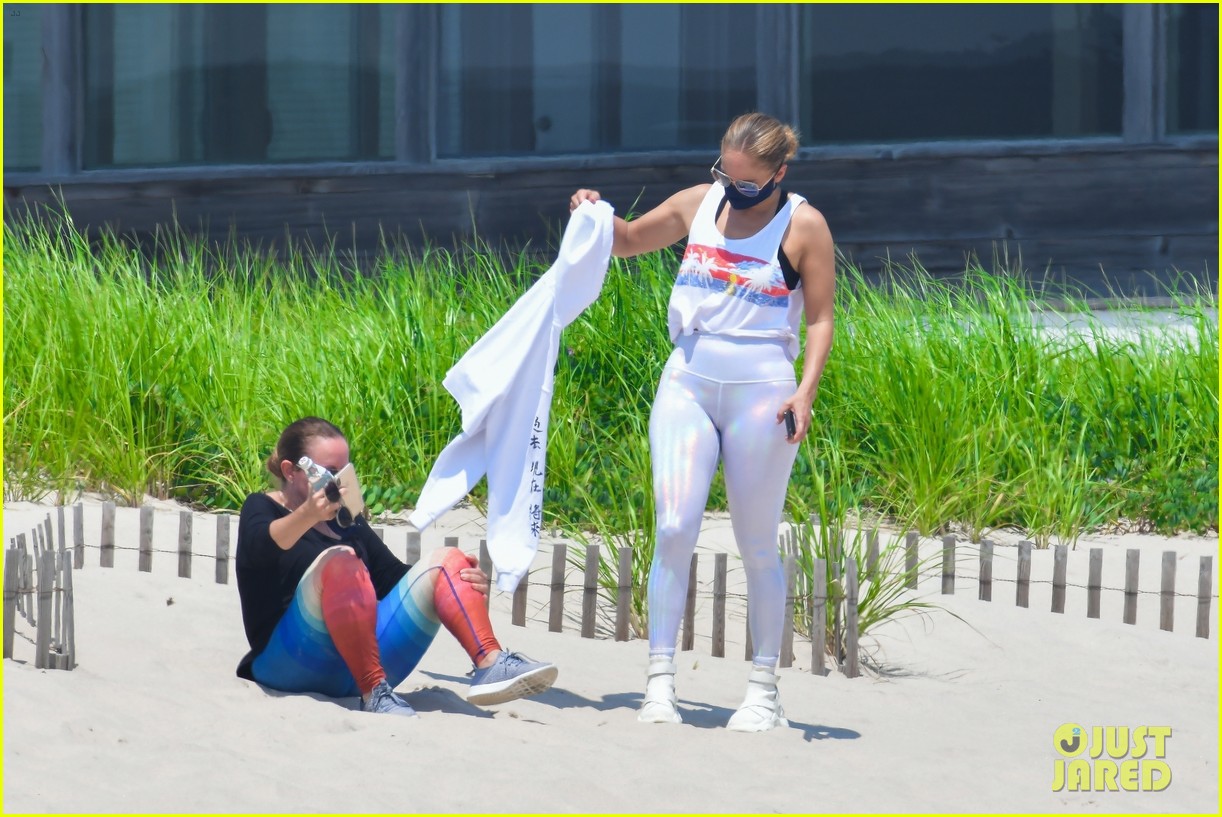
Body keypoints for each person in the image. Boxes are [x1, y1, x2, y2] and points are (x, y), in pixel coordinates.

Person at [569, 112, 834, 732]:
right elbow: (627, 239)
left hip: (762, 390)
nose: (733, 189)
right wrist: (591, 212)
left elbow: (820, 317)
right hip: (687, 378)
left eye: (748, 183)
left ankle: (763, 691)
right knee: (673, 526)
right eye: (726, 174)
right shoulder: (700, 201)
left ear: (779, 173)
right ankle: (660, 683)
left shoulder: (804, 225)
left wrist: (806, 392)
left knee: (756, 541)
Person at [235, 416, 558, 717]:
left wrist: (456, 582)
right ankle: (374, 693)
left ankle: (491, 662)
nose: (340, 482)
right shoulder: (262, 507)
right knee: (342, 561)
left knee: (448, 562)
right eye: (330, 471)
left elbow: (393, 578)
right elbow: (262, 546)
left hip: (350, 666)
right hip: (289, 663)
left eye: (344, 471)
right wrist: (308, 514)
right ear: (291, 471)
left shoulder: (347, 522)